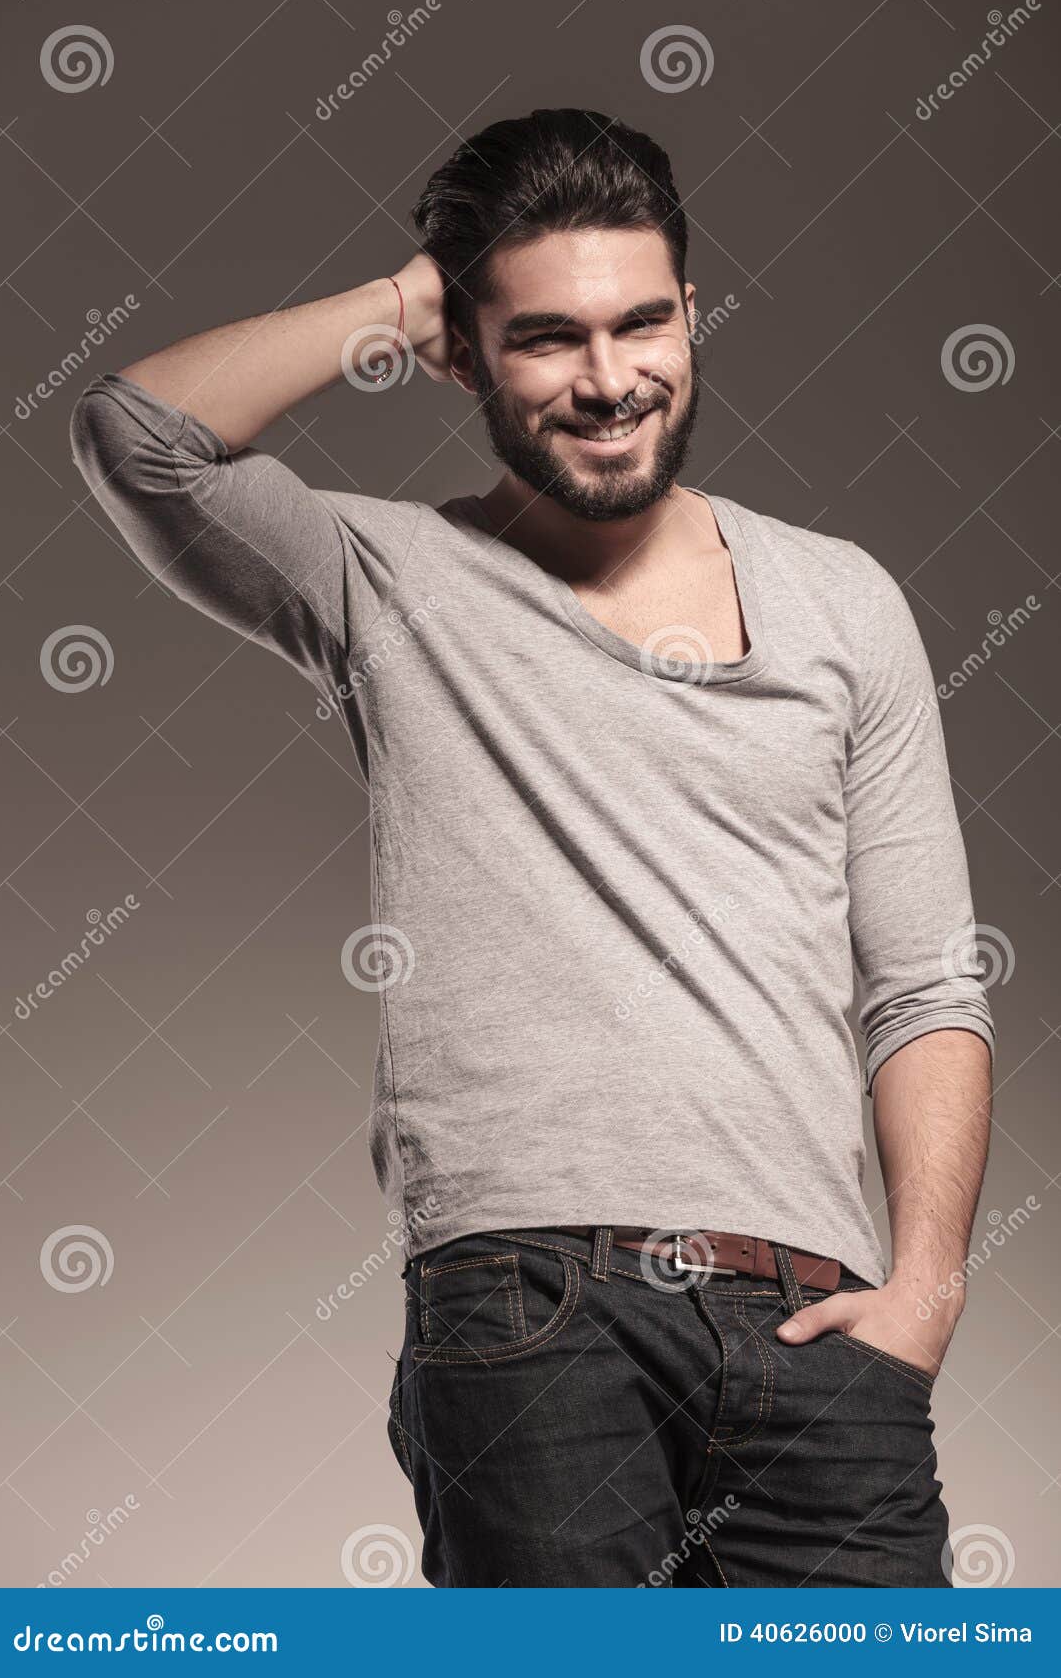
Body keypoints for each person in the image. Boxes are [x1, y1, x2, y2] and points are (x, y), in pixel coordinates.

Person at [70, 107, 994, 1588]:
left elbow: (928, 988)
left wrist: (929, 1283)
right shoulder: (386, 578)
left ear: (693, 316)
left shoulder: (845, 604)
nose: (611, 378)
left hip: (815, 1321)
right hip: (531, 1310)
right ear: (464, 354)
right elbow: (137, 436)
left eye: (644, 322)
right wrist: (400, 297)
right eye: (548, 336)